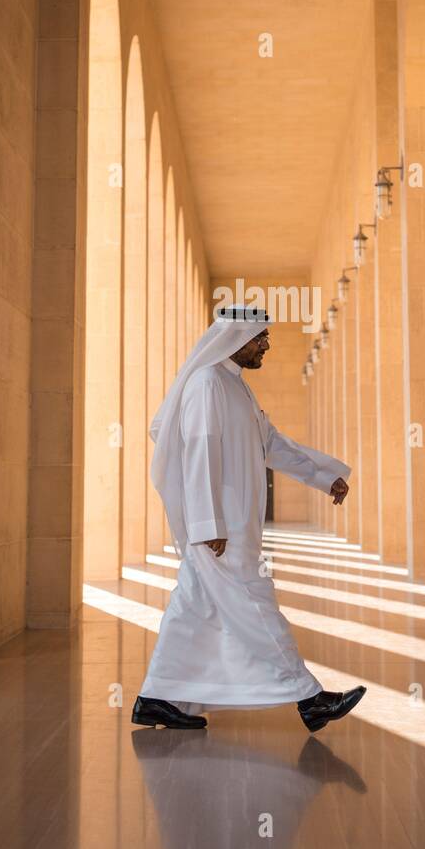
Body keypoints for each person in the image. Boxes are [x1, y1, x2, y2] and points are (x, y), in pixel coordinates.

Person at [131, 305, 366, 732]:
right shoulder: (207, 385)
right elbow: (200, 453)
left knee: (194, 606)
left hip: (233, 525)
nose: (266, 346)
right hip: (221, 529)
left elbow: (273, 444)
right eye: (261, 339)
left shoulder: (236, 388)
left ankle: (157, 698)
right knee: (254, 605)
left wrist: (325, 475)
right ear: (238, 340)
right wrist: (207, 525)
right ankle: (309, 699)